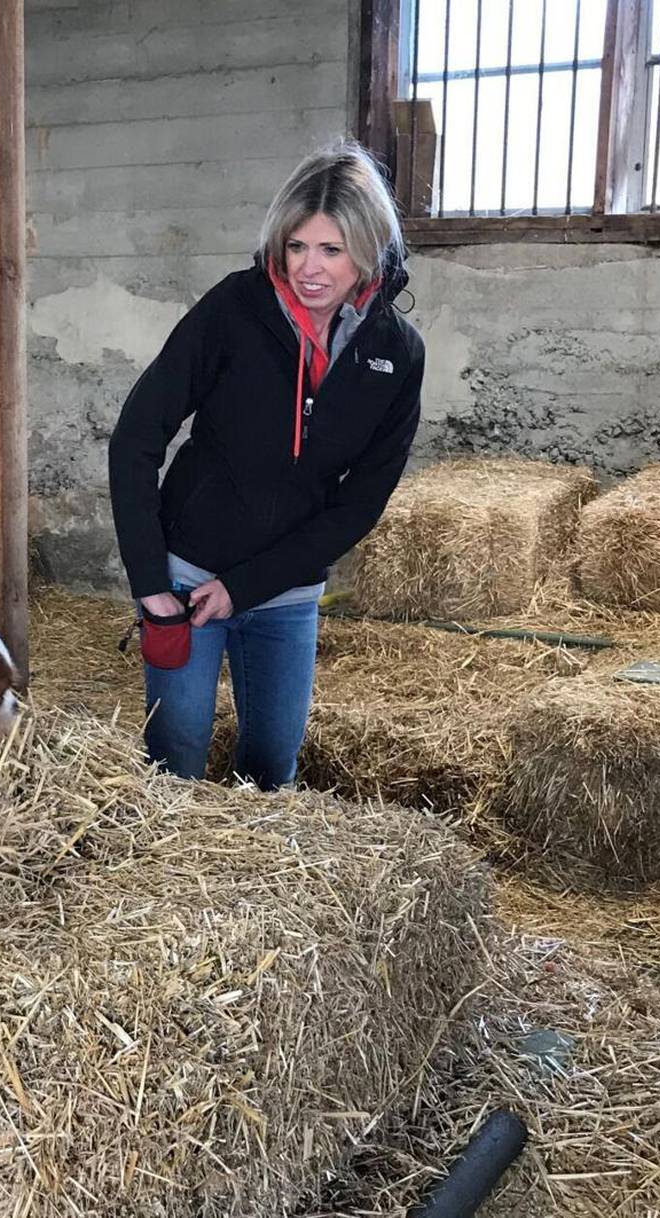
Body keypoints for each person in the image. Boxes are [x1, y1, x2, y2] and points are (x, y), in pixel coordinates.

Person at [107, 142, 423, 790]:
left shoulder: (397, 353)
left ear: (368, 250)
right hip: (188, 578)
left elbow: (360, 503)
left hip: (287, 593)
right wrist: (151, 583)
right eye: (296, 246)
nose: (310, 268)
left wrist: (246, 588)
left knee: (272, 769)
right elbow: (137, 436)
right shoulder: (234, 310)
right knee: (175, 759)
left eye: (331, 251)